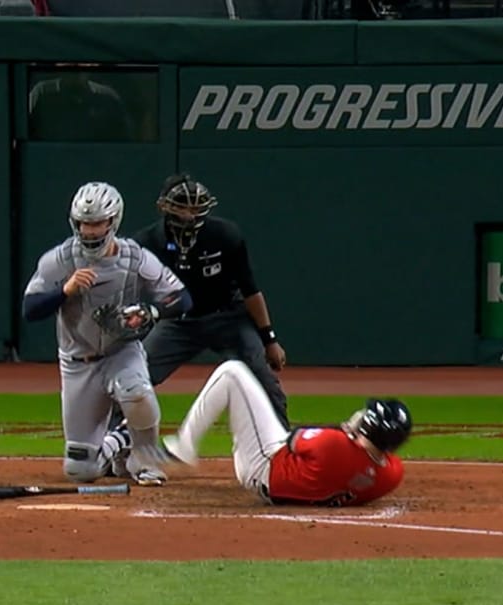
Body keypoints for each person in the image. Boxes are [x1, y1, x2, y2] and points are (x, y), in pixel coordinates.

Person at [22, 181, 193, 486]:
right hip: (77, 362)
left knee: (137, 391)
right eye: (84, 224)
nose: (90, 232)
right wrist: (65, 291)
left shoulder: (134, 258)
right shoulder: (59, 260)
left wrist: (151, 311)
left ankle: (145, 457)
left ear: (113, 221)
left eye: (97, 223)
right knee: (80, 471)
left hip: (120, 352)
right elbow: (30, 308)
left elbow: (181, 298)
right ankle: (118, 441)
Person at [130, 173, 289, 427]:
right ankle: (112, 446)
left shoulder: (225, 235)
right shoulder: (147, 243)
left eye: (195, 206)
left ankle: (282, 449)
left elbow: (250, 290)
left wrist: (269, 339)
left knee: (264, 381)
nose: (190, 214)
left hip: (228, 316)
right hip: (177, 323)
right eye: (182, 206)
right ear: (165, 207)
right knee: (133, 379)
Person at [165, 360, 410, 507]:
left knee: (232, 372)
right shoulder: (391, 475)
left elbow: (294, 439)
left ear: (369, 425)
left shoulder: (336, 445)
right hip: (290, 491)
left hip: (262, 466)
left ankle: (184, 446)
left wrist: (344, 432)